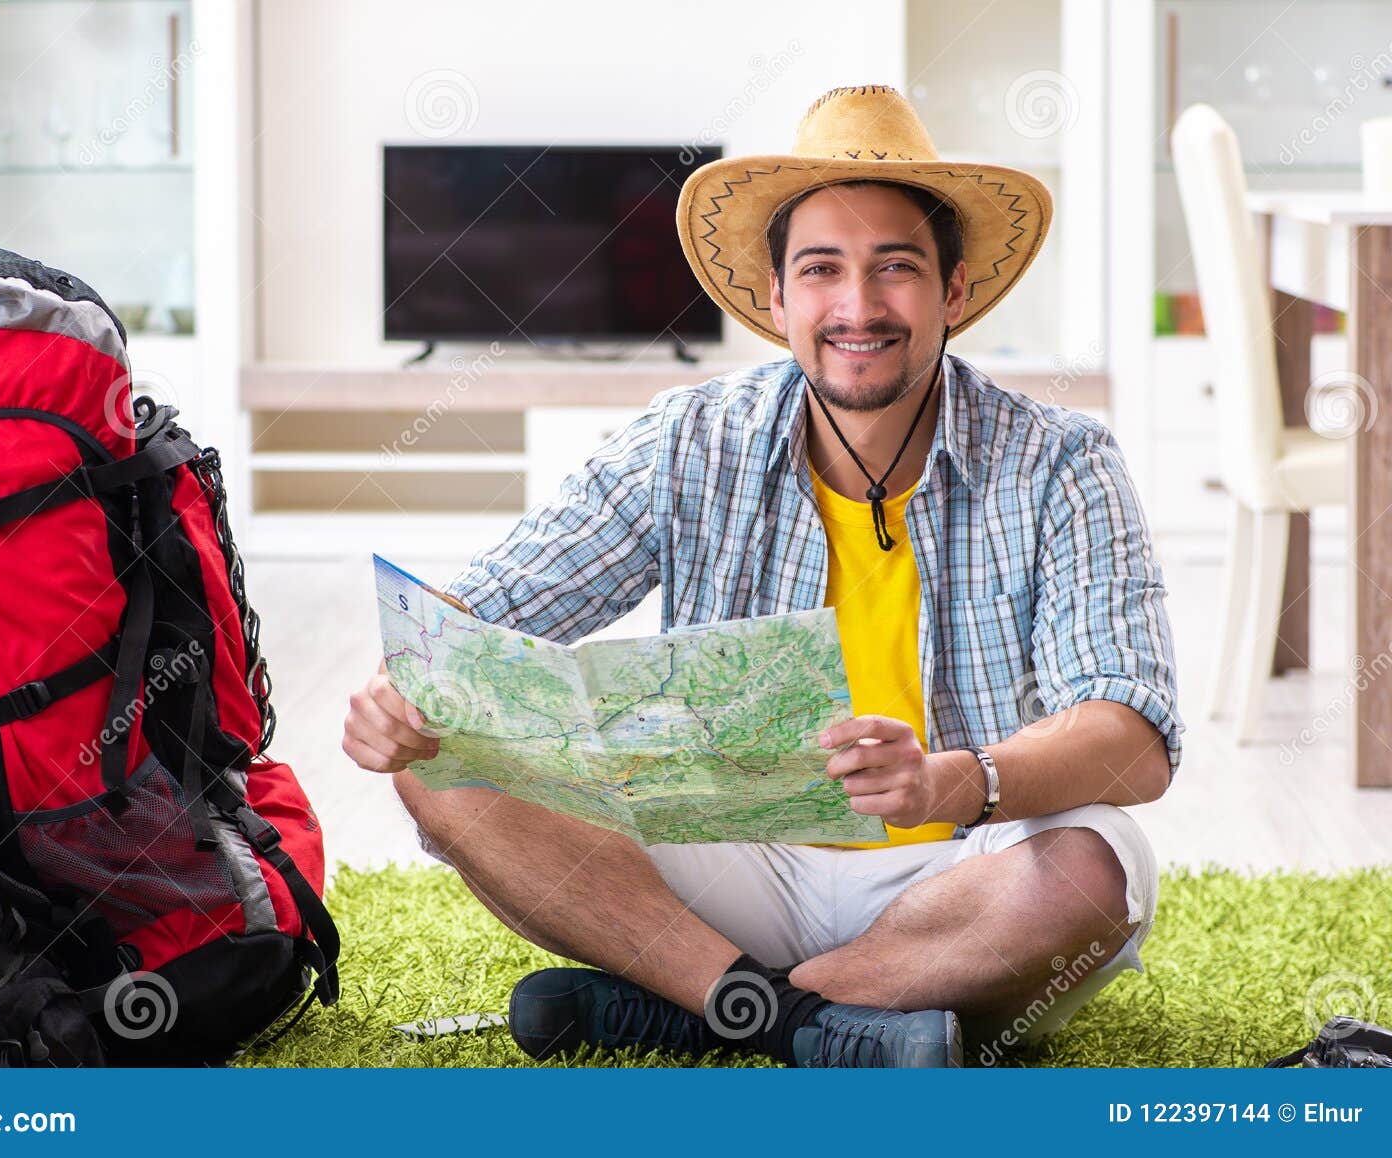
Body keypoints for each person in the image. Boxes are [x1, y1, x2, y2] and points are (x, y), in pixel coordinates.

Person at [342, 84, 1182, 1068]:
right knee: (444, 764)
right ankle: (819, 1026)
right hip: (731, 862)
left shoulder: (1061, 460)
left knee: (1092, 867)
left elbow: (1130, 738)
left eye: (895, 269)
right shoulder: (692, 436)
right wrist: (402, 688)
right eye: (821, 270)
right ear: (777, 299)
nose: (857, 308)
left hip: (959, 868)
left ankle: (705, 1008)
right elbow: (488, 604)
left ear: (952, 293)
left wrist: (948, 782)